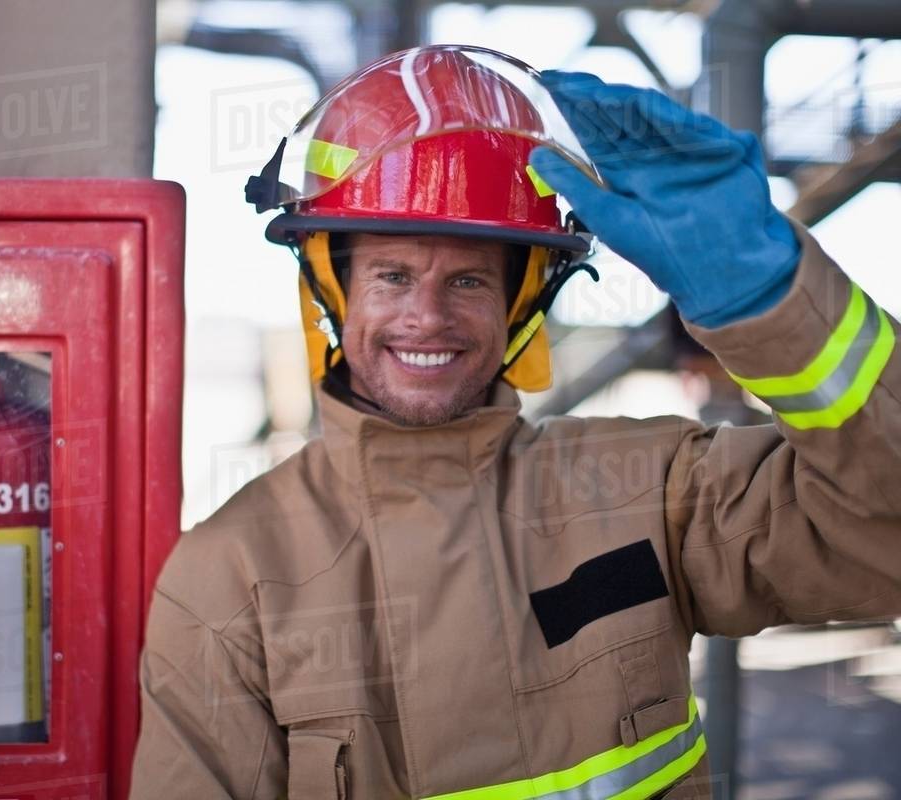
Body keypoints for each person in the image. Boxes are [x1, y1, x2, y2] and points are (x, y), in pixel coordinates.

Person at [130, 45, 900, 800]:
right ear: (332, 291)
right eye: (393, 275)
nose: (427, 317)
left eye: (467, 279)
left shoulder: (656, 489)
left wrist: (774, 300)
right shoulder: (227, 580)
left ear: (522, 303)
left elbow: (881, 532)